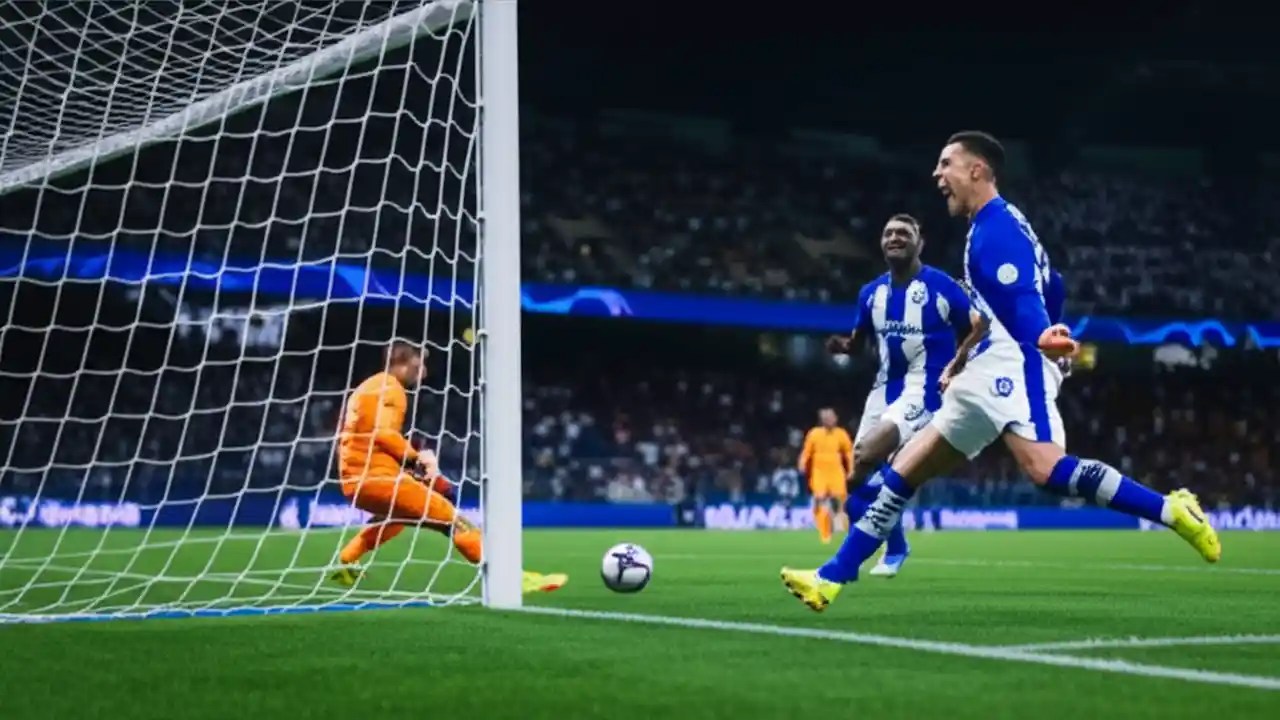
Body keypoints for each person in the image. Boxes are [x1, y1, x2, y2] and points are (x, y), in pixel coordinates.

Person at [781, 131, 1220, 611]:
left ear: (977, 170)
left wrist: (1042, 335)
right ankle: (830, 579)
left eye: (946, 164)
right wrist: (972, 356)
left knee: (1045, 469)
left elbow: (1025, 297)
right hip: (990, 365)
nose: (936, 175)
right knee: (902, 472)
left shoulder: (995, 232)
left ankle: (1171, 510)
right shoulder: (1000, 224)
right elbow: (1053, 282)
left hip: (1016, 360)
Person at [331, 340, 566, 594]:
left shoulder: (367, 387)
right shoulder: (392, 389)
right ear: (400, 362)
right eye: (418, 365)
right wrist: (417, 460)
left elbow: (367, 439)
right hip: (379, 480)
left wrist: (411, 471)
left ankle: (347, 561)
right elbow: (384, 434)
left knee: (397, 519)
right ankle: (512, 579)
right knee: (455, 520)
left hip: (355, 482)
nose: (423, 372)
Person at [826, 213, 973, 576]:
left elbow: (977, 330)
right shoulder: (870, 293)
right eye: (889, 232)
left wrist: (960, 365)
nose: (895, 237)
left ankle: (843, 567)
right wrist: (844, 347)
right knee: (855, 489)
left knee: (866, 453)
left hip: (924, 389)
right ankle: (897, 543)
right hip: (882, 389)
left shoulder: (942, 287)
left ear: (919, 243)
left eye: (904, 233)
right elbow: (860, 343)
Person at [798, 407, 853, 544]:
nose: (830, 420)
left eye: (832, 417)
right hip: (819, 472)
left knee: (841, 501)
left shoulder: (841, 434)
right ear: (822, 420)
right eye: (827, 418)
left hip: (836, 472)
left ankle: (843, 529)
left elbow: (848, 453)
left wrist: (851, 469)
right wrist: (802, 463)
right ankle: (825, 533)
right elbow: (807, 451)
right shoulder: (814, 434)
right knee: (820, 499)